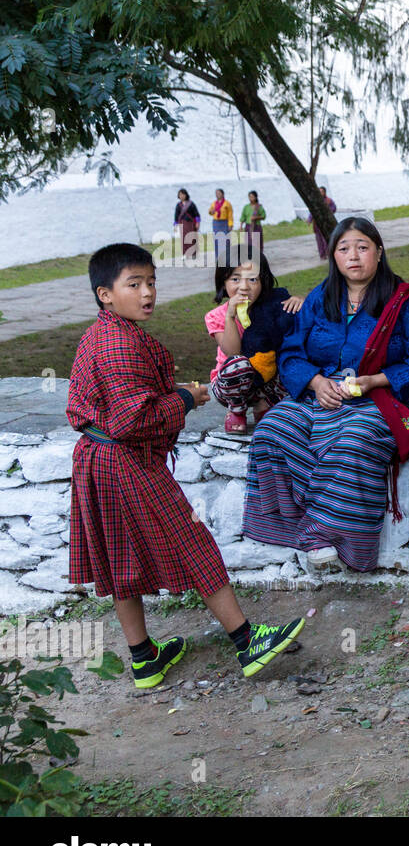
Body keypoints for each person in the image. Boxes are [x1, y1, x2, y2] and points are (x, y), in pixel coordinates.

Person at [67, 243, 304, 688]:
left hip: (97, 462)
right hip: (126, 462)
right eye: (133, 285)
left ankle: (143, 660)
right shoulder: (118, 343)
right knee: (195, 543)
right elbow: (131, 419)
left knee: (123, 560)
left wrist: (171, 392)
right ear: (105, 294)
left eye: (151, 282)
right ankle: (246, 641)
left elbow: (117, 400)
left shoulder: (104, 333)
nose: (147, 293)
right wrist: (184, 399)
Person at [243, 217, 409, 572]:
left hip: (378, 400)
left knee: (353, 441)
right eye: (344, 249)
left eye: (362, 247)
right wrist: (314, 382)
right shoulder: (319, 297)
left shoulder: (404, 302)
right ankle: (305, 529)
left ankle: (322, 538)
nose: (353, 256)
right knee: (272, 430)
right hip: (319, 396)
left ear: (379, 251)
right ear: (334, 256)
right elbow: (291, 353)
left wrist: (375, 380)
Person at [205, 247, 304, 434]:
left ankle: (262, 404)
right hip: (230, 386)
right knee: (239, 364)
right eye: (235, 279)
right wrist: (230, 317)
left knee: (291, 364)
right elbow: (232, 352)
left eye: (252, 279)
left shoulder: (270, 308)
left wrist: (300, 303)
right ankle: (236, 410)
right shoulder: (216, 316)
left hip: (266, 383)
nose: (244, 286)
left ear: (263, 282)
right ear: (223, 282)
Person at [309, 185, 337, 260]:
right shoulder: (315, 201)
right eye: (319, 191)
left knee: (325, 239)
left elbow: (334, 208)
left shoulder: (329, 200)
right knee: (319, 240)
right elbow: (312, 211)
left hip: (326, 223)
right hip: (317, 224)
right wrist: (309, 219)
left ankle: (329, 254)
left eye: (322, 191)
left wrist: (327, 212)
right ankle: (322, 255)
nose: (320, 193)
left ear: (324, 192)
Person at [174, 188, 200, 262]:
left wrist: (197, 223)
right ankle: (185, 253)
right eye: (180, 195)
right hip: (182, 223)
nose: (181, 196)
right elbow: (176, 216)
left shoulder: (191, 204)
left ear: (186, 195)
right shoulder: (178, 205)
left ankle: (193, 253)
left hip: (191, 223)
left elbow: (196, 214)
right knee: (183, 239)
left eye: (183, 194)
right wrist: (175, 225)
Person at [209, 188, 233, 266]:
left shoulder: (227, 203)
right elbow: (210, 211)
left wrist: (230, 224)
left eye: (219, 193)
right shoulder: (214, 203)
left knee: (225, 240)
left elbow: (230, 215)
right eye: (216, 193)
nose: (217, 195)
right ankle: (218, 257)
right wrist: (211, 212)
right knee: (217, 240)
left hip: (224, 222)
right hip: (216, 223)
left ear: (223, 194)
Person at [240, 190, 266, 255]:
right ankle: (249, 257)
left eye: (252, 197)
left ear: (256, 197)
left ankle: (258, 257)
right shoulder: (246, 207)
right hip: (248, 227)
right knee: (248, 242)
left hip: (256, 227)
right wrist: (241, 226)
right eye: (249, 197)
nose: (251, 198)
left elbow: (263, 216)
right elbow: (243, 217)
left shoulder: (259, 207)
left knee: (257, 243)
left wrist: (256, 217)